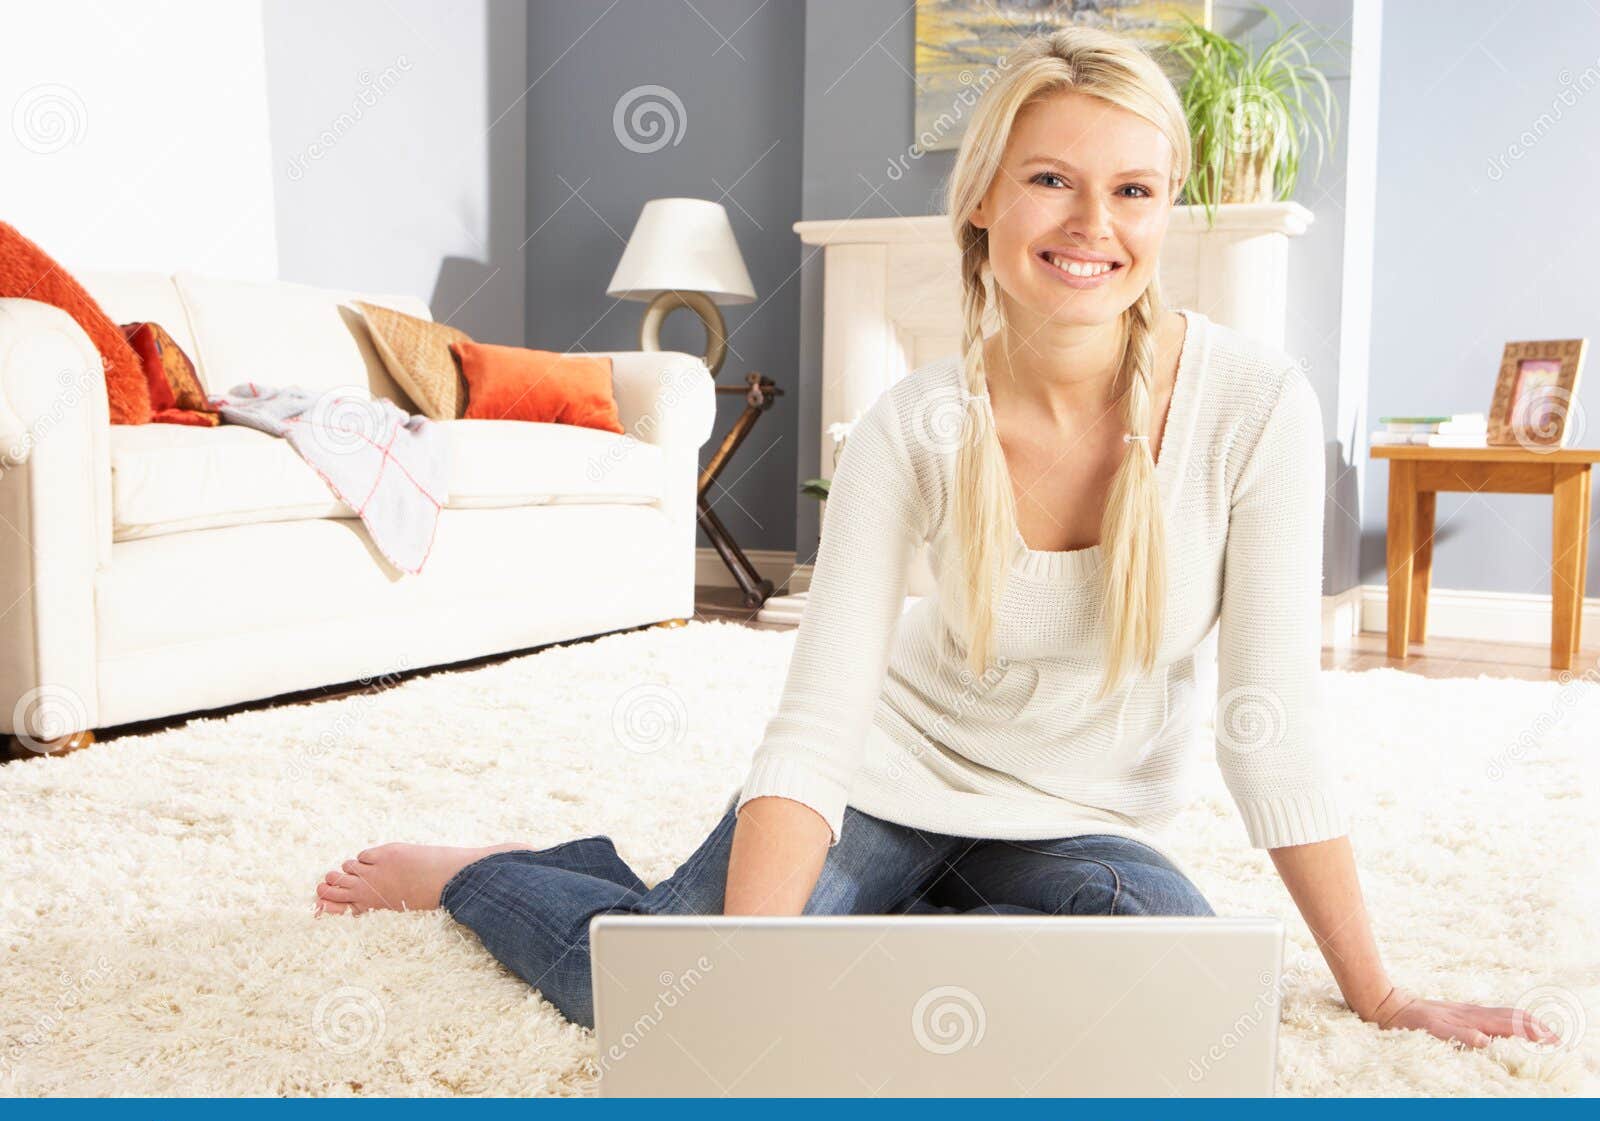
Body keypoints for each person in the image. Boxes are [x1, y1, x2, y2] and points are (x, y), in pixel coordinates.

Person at [313, 26, 1559, 1052]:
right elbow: (817, 723)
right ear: (982, 203)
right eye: (1050, 179)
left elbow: (1269, 728)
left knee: (1179, 999)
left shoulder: (1254, 409)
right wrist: (742, 979)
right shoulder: (915, 425)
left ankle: (860, 920)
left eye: (1132, 190)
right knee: (654, 998)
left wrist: (1381, 994)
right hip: (884, 787)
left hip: (1078, 826)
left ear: (1165, 215)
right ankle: (494, 871)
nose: (1092, 224)